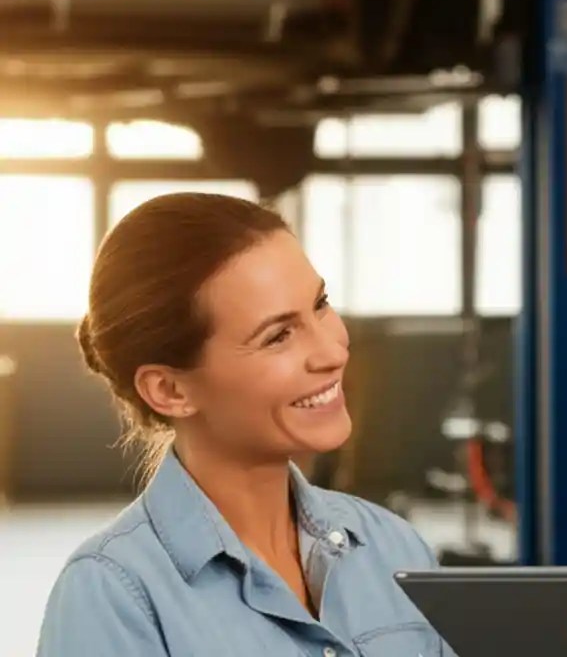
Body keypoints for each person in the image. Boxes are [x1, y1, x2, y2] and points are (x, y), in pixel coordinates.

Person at [37, 193, 457, 657]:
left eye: (320, 304)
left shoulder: (392, 548)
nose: (333, 352)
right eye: (278, 336)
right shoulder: (112, 595)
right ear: (170, 390)